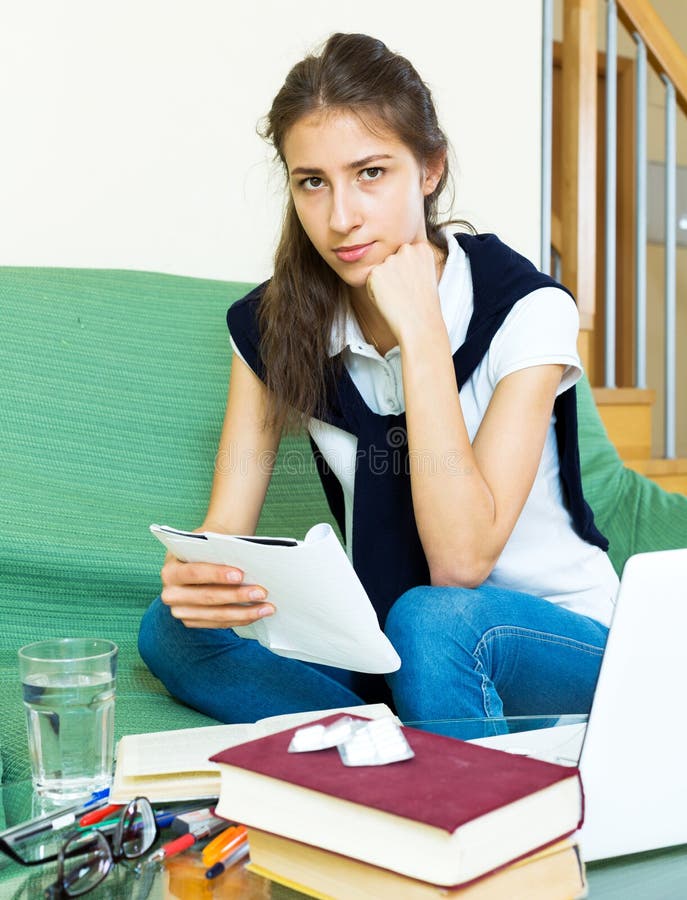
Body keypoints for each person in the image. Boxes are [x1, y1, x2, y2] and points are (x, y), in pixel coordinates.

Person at [138, 32, 619, 726]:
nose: (341, 218)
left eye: (370, 173)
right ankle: (385, 743)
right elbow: (224, 532)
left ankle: (409, 755)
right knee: (172, 630)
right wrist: (199, 579)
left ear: (429, 169)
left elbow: (460, 563)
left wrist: (421, 333)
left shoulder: (527, 309)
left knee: (435, 620)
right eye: (313, 182)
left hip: (552, 637)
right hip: (387, 638)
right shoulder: (275, 325)